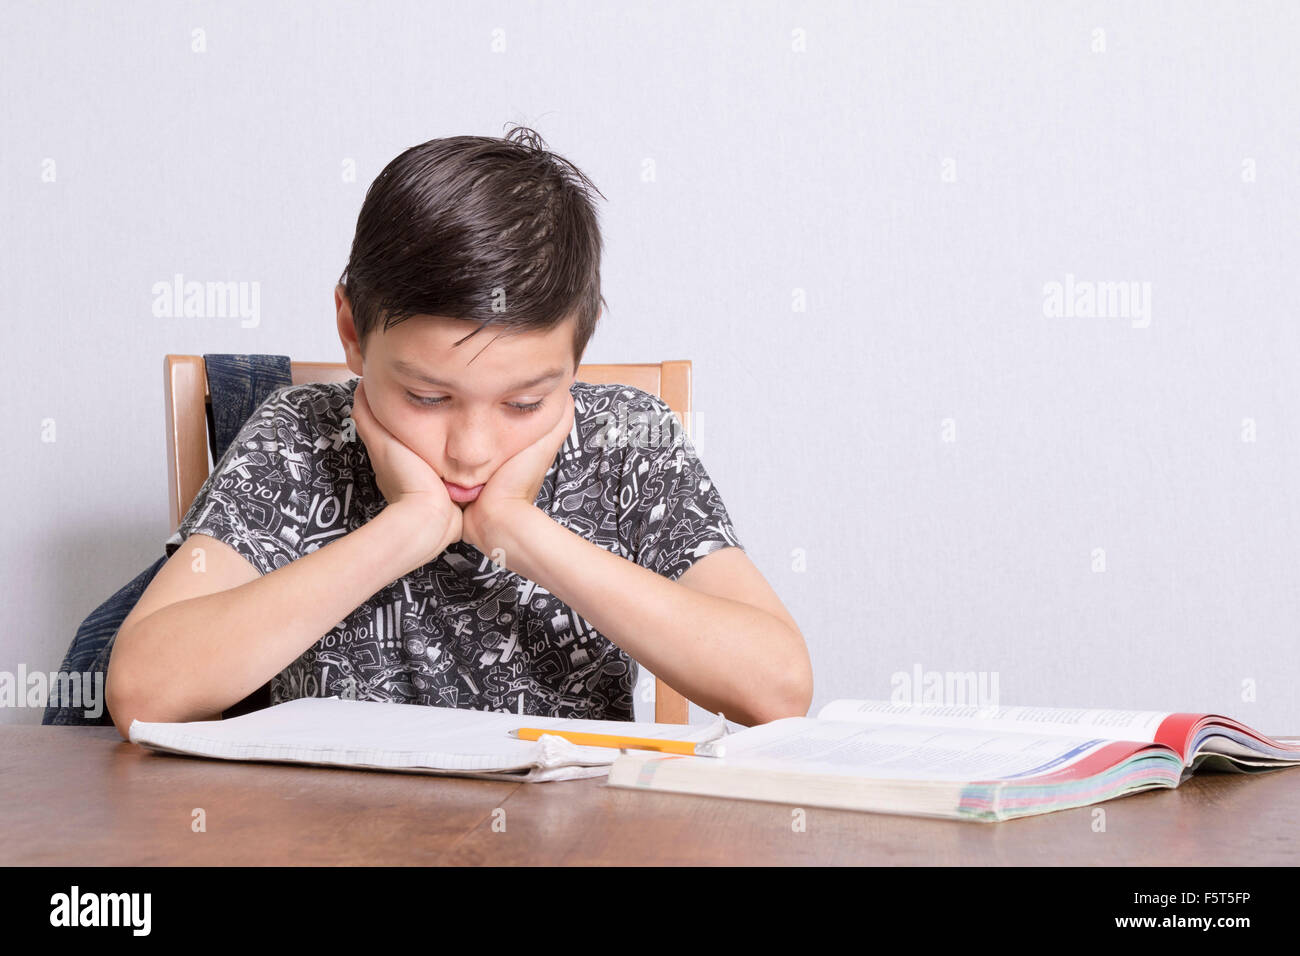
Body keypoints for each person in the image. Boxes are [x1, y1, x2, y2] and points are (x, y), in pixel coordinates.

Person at [106, 126, 812, 735]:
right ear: (352, 331)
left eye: (524, 403)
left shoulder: (627, 442)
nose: (471, 451)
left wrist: (518, 532)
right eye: (428, 395)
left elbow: (777, 688)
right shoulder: (299, 440)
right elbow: (144, 691)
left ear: (577, 356)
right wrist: (406, 530)